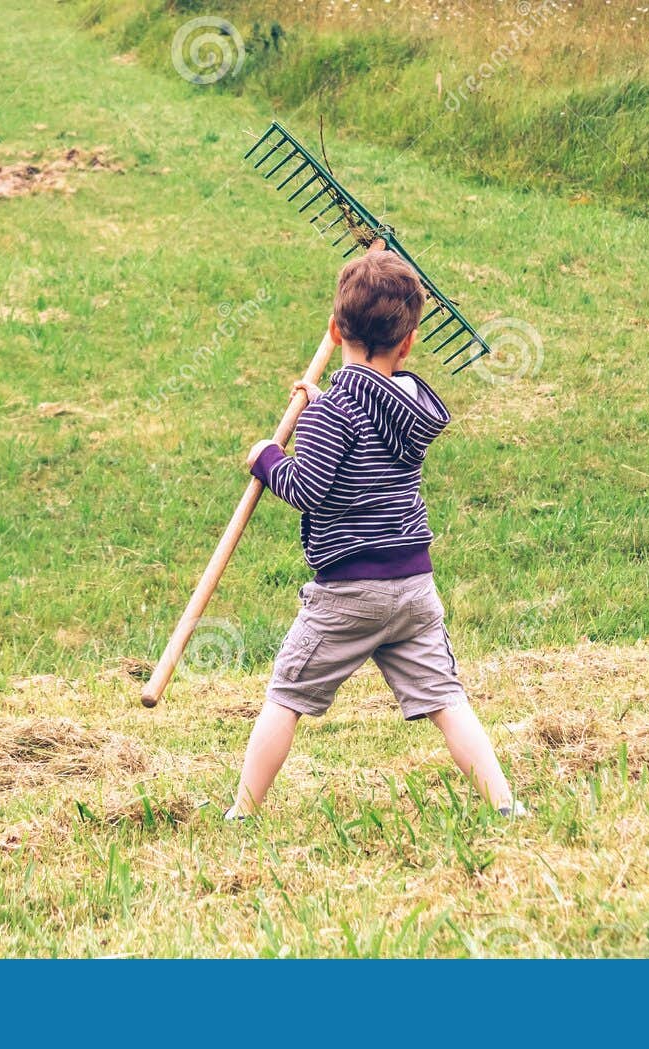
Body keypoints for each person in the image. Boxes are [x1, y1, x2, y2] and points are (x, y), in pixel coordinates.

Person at [227, 241, 519, 820]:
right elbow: (361, 417)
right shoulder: (406, 401)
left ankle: (242, 811)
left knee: (285, 695)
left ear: (335, 331)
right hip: (412, 587)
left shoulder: (335, 412)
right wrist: (317, 406)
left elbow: (307, 485)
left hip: (348, 594)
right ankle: (506, 804)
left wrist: (267, 457)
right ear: (407, 343)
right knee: (446, 699)